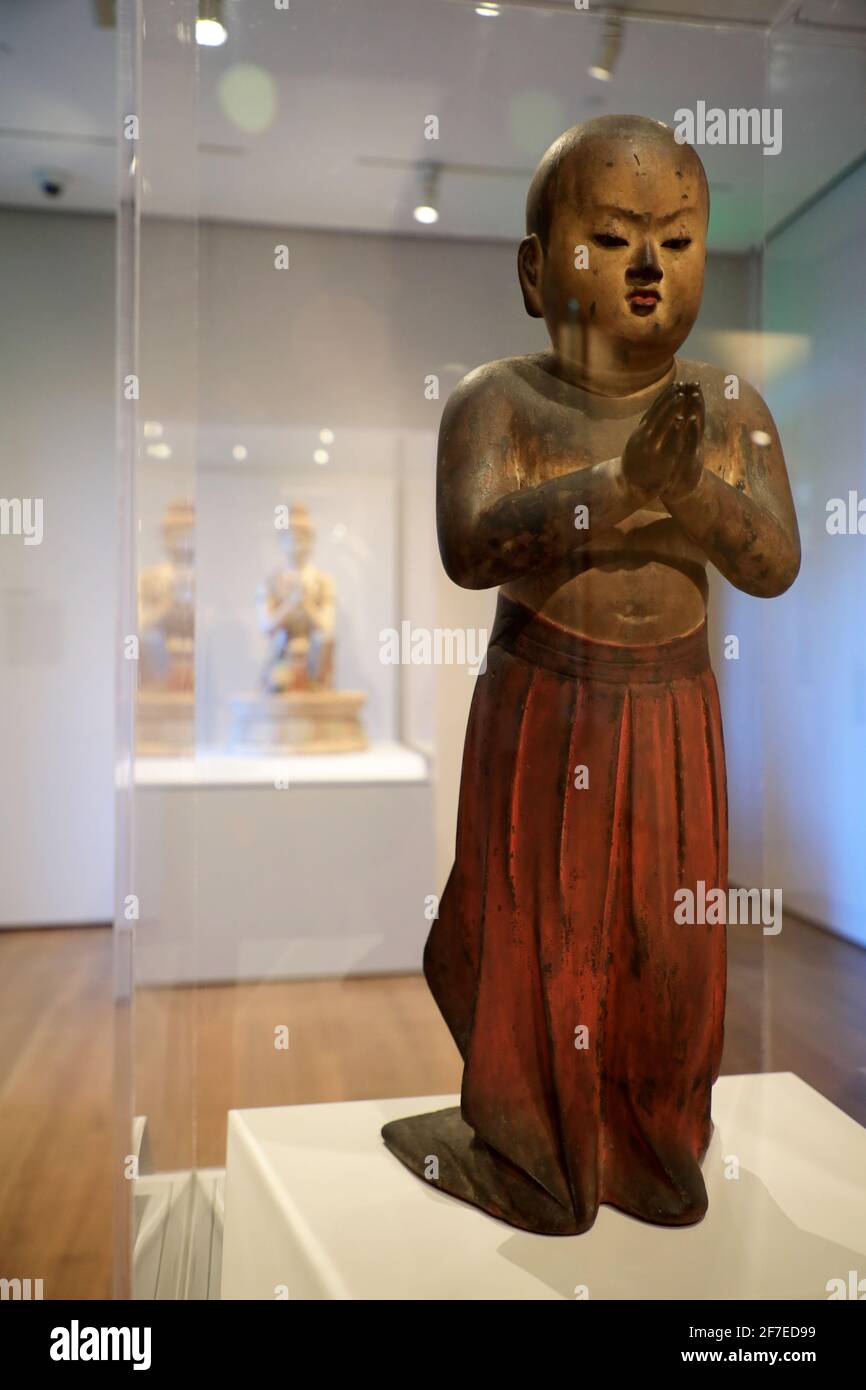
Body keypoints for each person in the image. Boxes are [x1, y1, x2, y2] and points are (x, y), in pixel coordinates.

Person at [382, 115, 800, 1235]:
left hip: (673, 717)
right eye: (611, 237)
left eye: (675, 236)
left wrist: (691, 488)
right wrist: (621, 487)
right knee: (540, 946)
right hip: (542, 709)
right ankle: (531, 1149)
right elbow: (472, 546)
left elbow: (772, 561)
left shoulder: (726, 411)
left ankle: (651, 1145)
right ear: (534, 270)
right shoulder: (496, 401)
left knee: (667, 953)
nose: (649, 264)